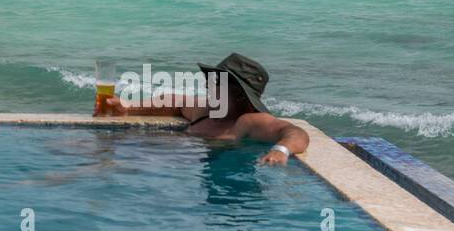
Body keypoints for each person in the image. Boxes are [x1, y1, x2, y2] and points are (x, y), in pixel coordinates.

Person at [96, 53, 309, 166]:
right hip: (165, 156)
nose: (208, 84)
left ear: (239, 94)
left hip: (193, 166)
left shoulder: (248, 122)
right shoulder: (206, 110)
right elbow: (174, 102)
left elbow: (295, 133)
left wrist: (281, 151)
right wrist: (128, 109)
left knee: (106, 165)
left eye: (216, 80)